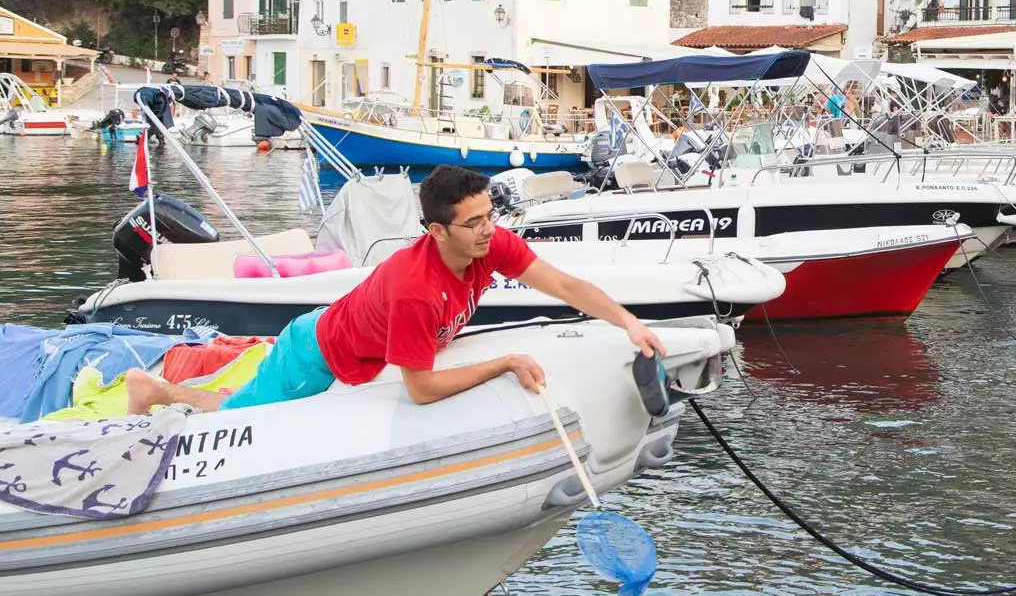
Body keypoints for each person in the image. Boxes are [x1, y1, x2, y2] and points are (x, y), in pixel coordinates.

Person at [124, 166, 665, 414]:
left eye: (489, 215)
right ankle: (157, 392)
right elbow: (421, 390)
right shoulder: (416, 289)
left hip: (341, 330)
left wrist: (629, 324)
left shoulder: (488, 242)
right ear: (436, 231)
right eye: (473, 221)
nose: (488, 229)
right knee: (239, 412)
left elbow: (564, 284)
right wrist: (503, 363)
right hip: (315, 353)